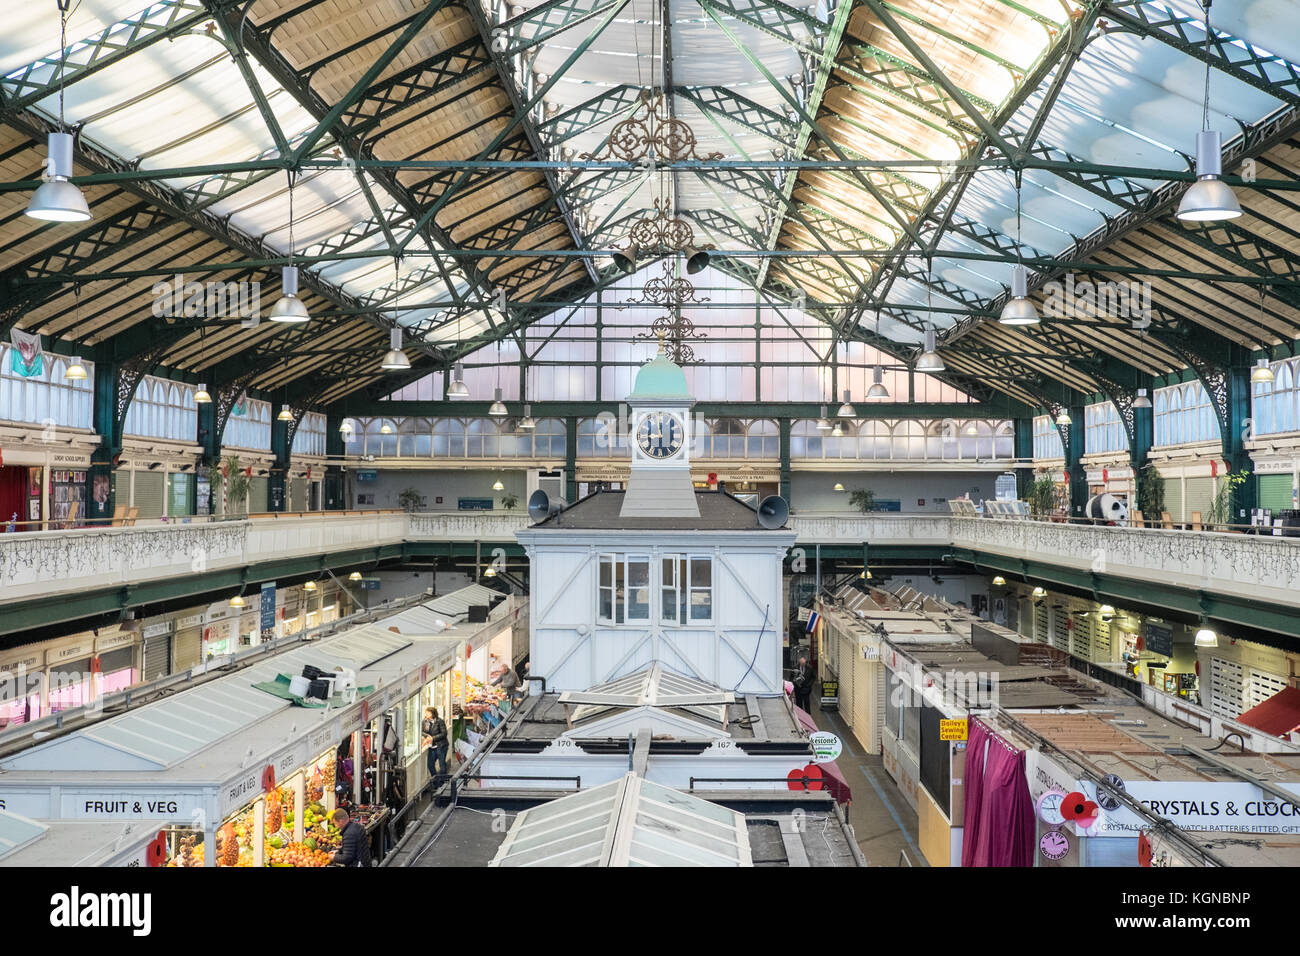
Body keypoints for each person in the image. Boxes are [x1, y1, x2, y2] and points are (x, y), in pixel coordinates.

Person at [422, 706, 448, 785]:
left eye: (428, 713)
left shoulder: (440, 721)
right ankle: (436, 782)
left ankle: (442, 782)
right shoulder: (424, 722)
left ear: (433, 714)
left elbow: (444, 733)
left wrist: (433, 738)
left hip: (441, 746)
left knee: (442, 765)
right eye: (426, 713)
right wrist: (427, 736)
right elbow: (421, 731)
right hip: (431, 747)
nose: (426, 714)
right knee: (430, 765)